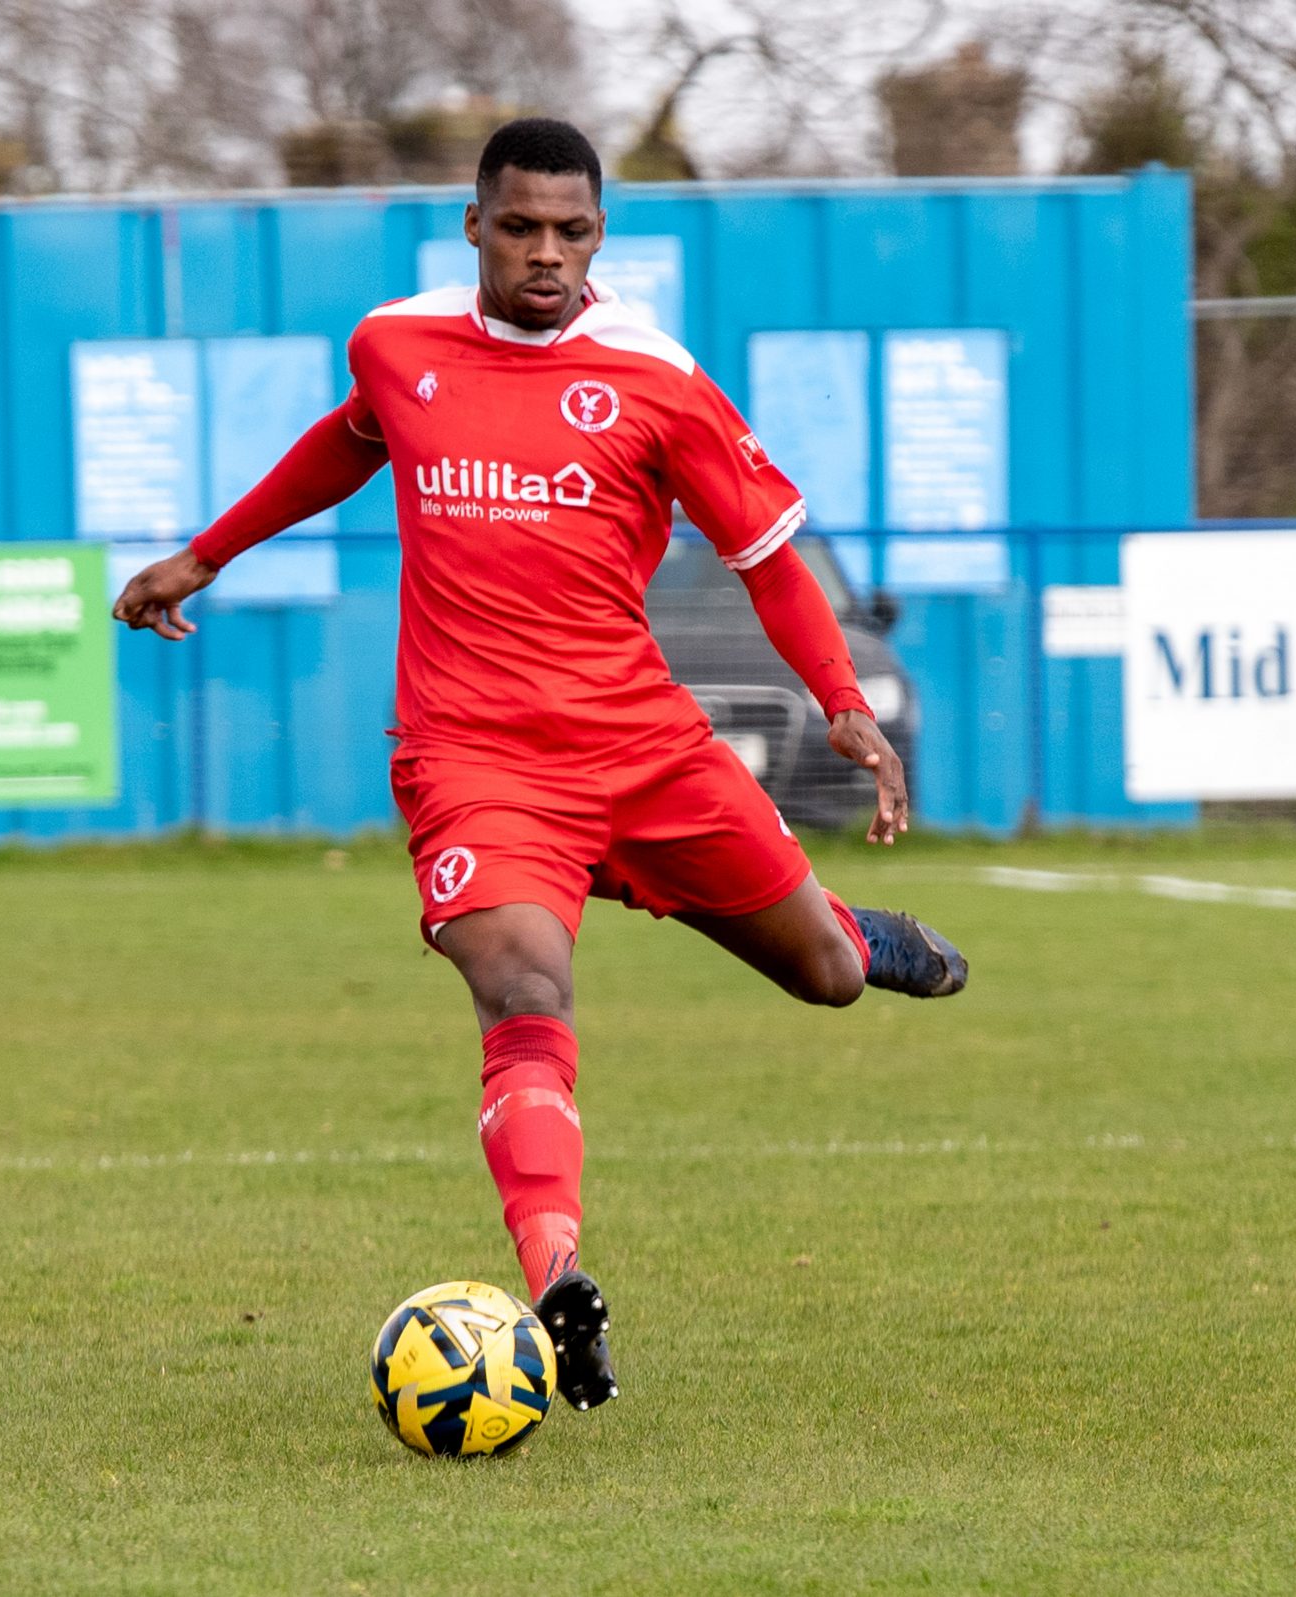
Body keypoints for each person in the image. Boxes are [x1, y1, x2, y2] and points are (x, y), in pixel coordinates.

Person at [111, 118, 969, 1415]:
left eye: (573, 230)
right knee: (522, 983)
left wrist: (842, 701)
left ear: (600, 235)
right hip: (474, 761)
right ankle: (558, 1275)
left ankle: (851, 930)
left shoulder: (656, 375)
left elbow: (769, 556)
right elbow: (348, 441)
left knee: (829, 976)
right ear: (474, 226)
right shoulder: (398, 346)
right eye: (521, 226)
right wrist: (205, 553)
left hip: (640, 745)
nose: (547, 254)